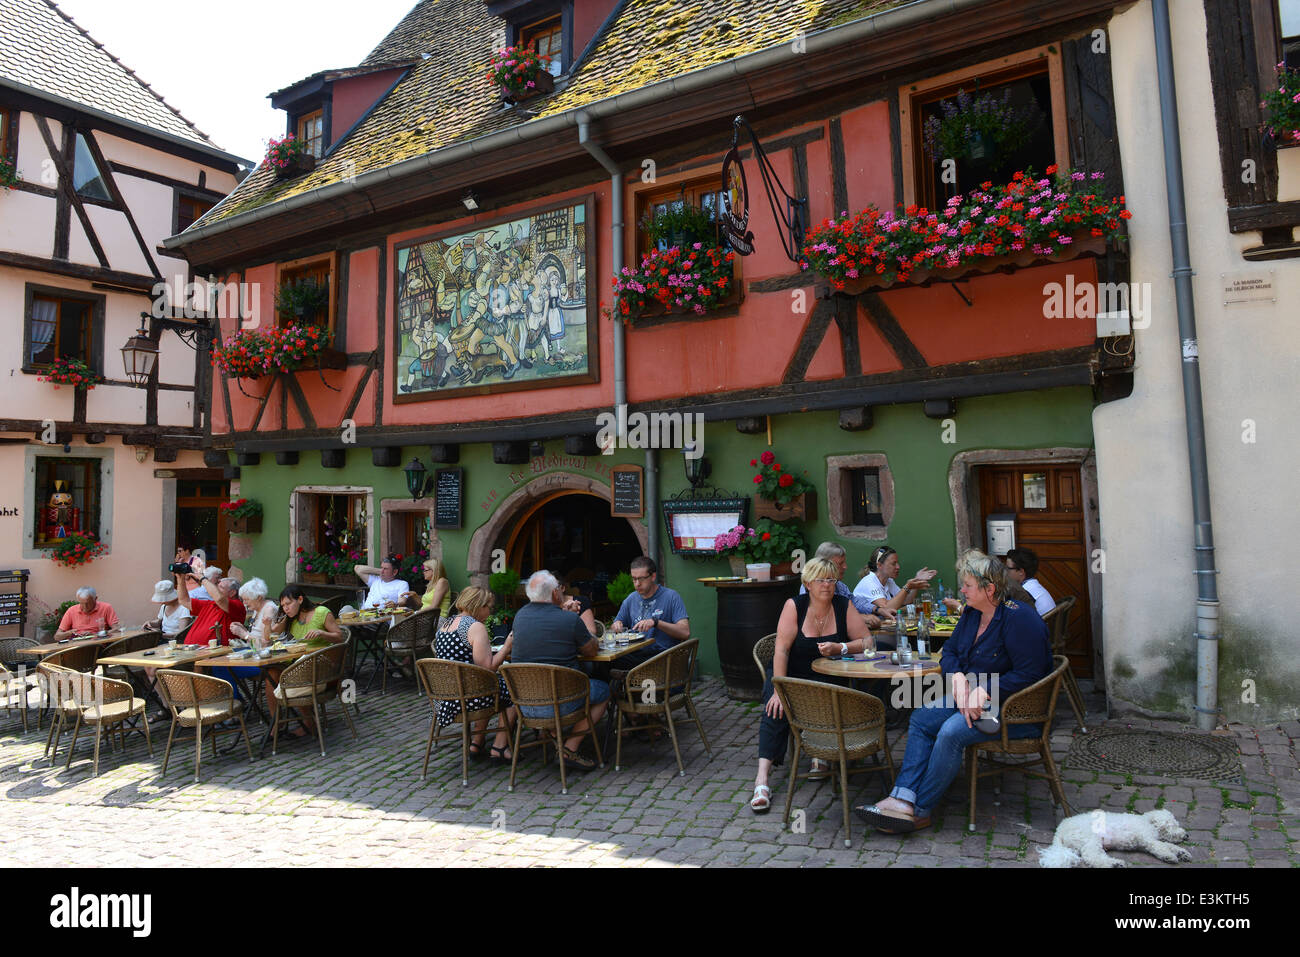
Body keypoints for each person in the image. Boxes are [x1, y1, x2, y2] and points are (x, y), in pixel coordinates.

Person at [854, 549, 1052, 833]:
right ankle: (902, 798)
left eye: (967, 586)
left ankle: (920, 810)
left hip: (1014, 708)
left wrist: (986, 689)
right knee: (921, 718)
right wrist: (957, 677)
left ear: (990, 588)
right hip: (972, 693)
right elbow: (950, 653)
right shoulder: (972, 613)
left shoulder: (1020, 619)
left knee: (951, 731)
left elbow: (1030, 674)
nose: (961, 591)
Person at [749, 557, 874, 813]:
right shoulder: (795, 606)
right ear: (808, 583)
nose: (827, 585)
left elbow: (868, 642)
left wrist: (841, 647)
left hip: (829, 675)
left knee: (834, 696)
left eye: (831, 579)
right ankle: (762, 778)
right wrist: (779, 689)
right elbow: (781, 650)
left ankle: (822, 752)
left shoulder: (842, 605)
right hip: (792, 673)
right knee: (776, 707)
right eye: (820, 580)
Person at [510, 570, 608, 770]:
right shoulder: (569, 620)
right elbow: (591, 650)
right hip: (562, 702)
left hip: (525, 704)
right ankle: (569, 748)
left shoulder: (519, 617)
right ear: (556, 593)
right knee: (604, 690)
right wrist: (573, 621)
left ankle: (555, 738)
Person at [432, 586, 516, 761]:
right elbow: (488, 667)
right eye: (488, 607)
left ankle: (477, 742)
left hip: (446, 697)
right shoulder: (475, 626)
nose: (489, 612)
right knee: (515, 688)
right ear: (479, 605)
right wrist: (507, 646)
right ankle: (500, 746)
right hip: (469, 697)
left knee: (486, 683)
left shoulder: (446, 625)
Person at [608, 556, 689, 668]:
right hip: (635, 655)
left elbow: (685, 632)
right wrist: (616, 626)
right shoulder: (631, 599)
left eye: (641, 579)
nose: (637, 584)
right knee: (604, 664)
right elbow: (614, 627)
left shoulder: (671, 596)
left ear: (653, 576)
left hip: (663, 657)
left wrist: (656, 622)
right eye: (634, 579)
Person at [798, 542, 883, 626]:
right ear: (826, 564)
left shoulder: (840, 585)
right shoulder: (811, 586)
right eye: (840, 563)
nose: (845, 566)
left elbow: (853, 601)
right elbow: (821, 616)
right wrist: (859, 617)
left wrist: (877, 609)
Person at [852, 546, 936, 618]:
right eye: (893, 563)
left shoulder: (889, 580)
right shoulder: (869, 582)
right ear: (879, 565)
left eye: (897, 563)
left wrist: (916, 581)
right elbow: (886, 609)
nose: (898, 567)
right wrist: (908, 586)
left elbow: (905, 600)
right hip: (869, 633)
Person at [174, 570, 245, 646]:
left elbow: (219, 599)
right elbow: (184, 600)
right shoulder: (210, 603)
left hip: (216, 654)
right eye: (216, 586)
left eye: (220, 587)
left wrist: (203, 579)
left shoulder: (238, 605)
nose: (215, 589)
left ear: (232, 593)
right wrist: (180, 579)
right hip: (193, 650)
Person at [1004, 547, 1056, 617]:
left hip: (1041, 626)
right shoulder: (1032, 585)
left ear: (1021, 572)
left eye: (1008, 568)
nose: (1005, 571)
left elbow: (1017, 616)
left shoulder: (1024, 593)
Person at [54, 587, 120, 639]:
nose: (85, 607)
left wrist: (96, 634)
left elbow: (117, 629)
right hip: (76, 647)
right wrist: (70, 633)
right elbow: (57, 636)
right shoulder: (71, 610)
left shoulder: (106, 607)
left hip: (99, 645)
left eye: (88, 603)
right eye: (81, 603)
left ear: (95, 598)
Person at [232, 578, 276, 647]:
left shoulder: (269, 609)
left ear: (259, 597)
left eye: (246, 599)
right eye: (243, 600)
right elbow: (256, 635)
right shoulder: (257, 609)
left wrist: (243, 634)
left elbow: (266, 643)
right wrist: (243, 629)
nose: (244, 603)